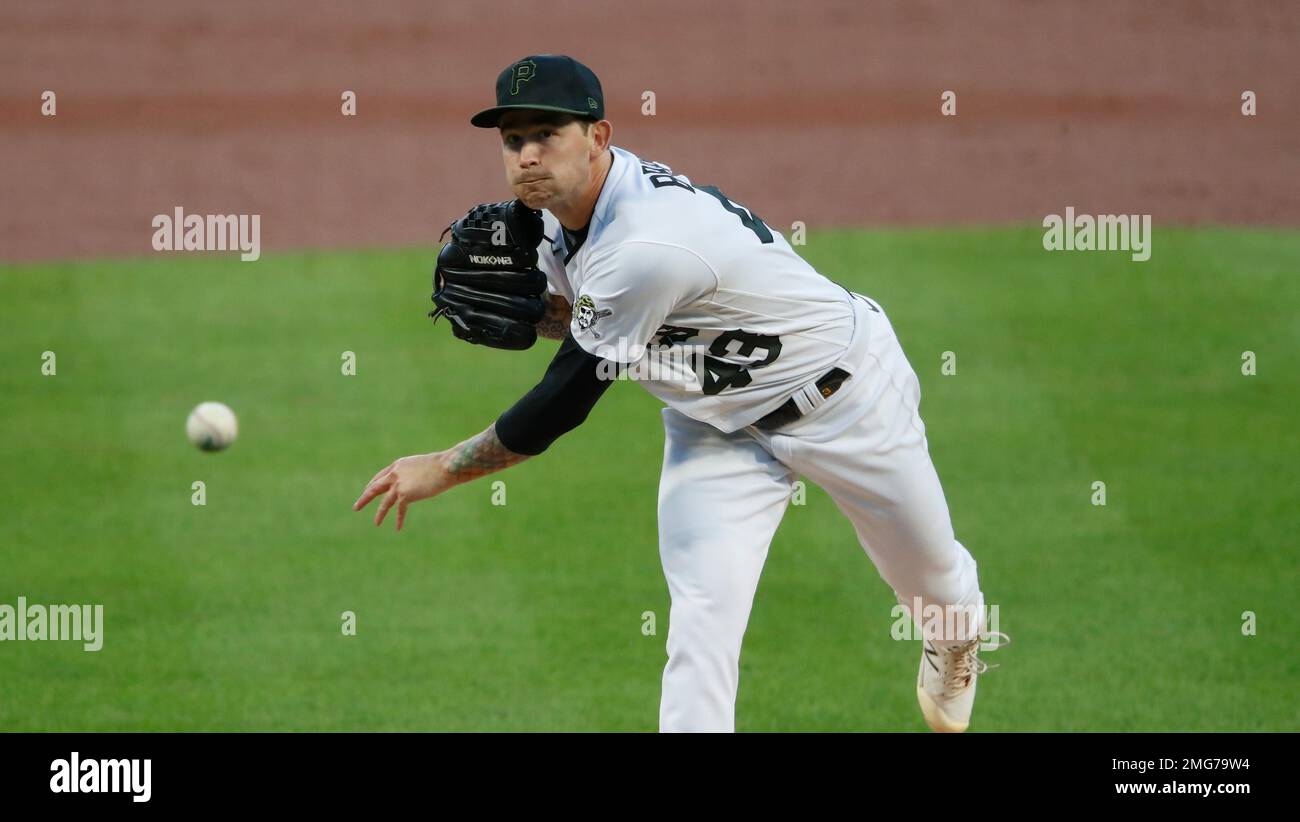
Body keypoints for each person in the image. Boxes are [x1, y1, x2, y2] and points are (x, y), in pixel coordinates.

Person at [354, 54, 1006, 732]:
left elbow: (561, 404)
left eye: (546, 133)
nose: (526, 156)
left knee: (933, 586)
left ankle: (956, 636)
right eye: (513, 140)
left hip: (845, 399)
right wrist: (538, 311)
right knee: (701, 628)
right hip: (714, 424)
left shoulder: (645, 242)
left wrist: (442, 468)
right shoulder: (545, 222)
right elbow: (593, 327)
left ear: (598, 137)